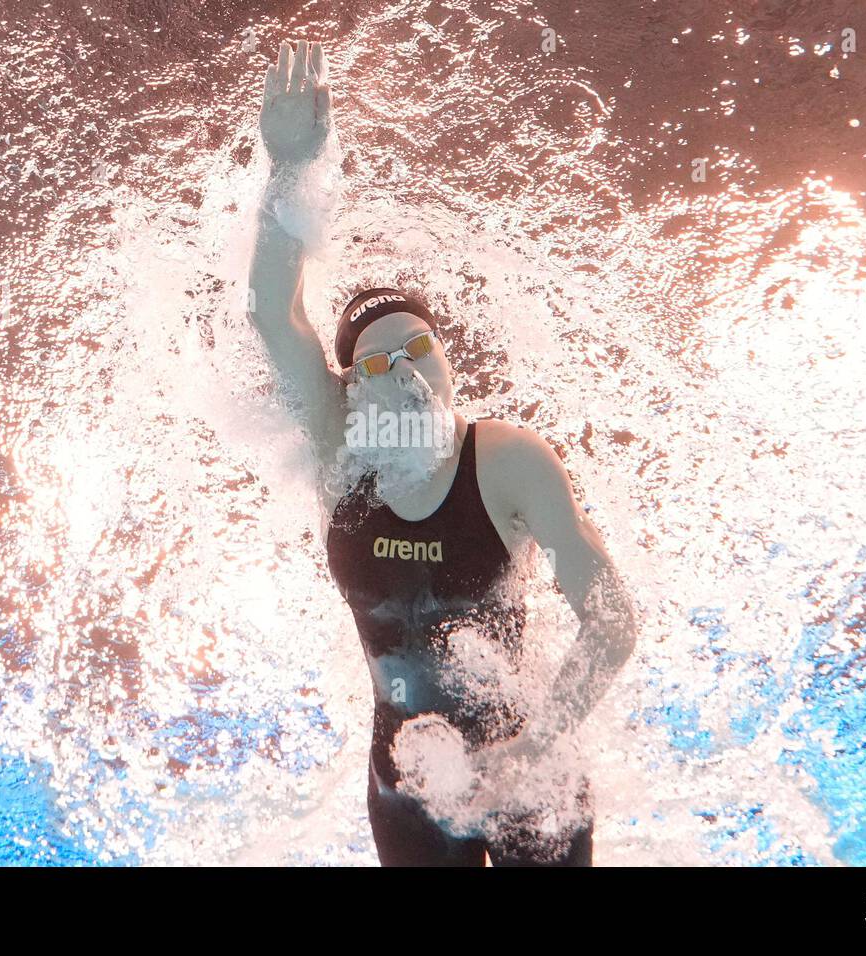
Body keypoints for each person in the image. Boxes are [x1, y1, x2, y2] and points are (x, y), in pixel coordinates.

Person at [247, 39, 639, 866]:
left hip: (533, 769)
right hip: (407, 784)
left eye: (420, 349)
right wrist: (288, 169)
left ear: (450, 363)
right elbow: (272, 316)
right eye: (378, 363)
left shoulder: (506, 462)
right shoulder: (340, 452)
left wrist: (543, 741)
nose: (405, 374)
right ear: (351, 388)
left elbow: (610, 618)